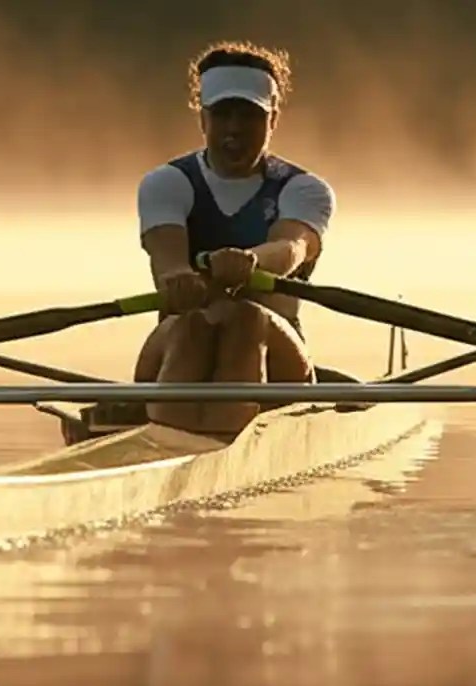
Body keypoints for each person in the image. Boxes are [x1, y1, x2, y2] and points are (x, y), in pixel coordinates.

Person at [133, 40, 337, 435]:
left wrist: (252, 262)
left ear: (273, 119)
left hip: (280, 369)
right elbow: (167, 258)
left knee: (246, 319)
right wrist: (178, 275)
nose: (234, 129)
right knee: (194, 323)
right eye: (222, 113)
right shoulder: (166, 184)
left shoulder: (304, 189)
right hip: (179, 349)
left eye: (249, 115)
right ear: (202, 119)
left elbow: (292, 247)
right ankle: (179, 449)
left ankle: (201, 444)